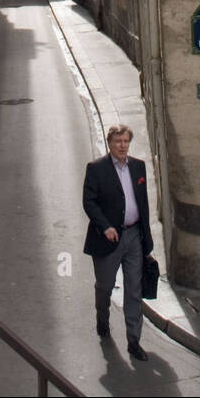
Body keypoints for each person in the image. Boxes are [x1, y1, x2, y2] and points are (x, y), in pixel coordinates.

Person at [82, 124, 153, 360]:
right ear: (110, 143)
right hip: (108, 239)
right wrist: (106, 227)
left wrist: (146, 239)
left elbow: (142, 205)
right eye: (118, 142)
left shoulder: (138, 167)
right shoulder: (96, 169)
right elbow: (89, 202)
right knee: (105, 286)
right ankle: (102, 319)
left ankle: (134, 341)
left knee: (134, 289)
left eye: (125, 142)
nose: (122, 146)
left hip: (133, 237)